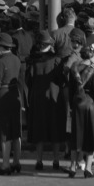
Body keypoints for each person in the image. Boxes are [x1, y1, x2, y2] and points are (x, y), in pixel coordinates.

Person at [26, 30, 65, 170]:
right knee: (55, 128)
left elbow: (28, 80)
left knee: (39, 129)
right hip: (53, 95)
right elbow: (62, 79)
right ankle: (55, 160)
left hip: (37, 97)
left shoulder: (33, 61)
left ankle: (39, 160)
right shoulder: (56, 60)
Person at [67, 43, 94, 178]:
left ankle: (72, 166)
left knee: (76, 137)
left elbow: (71, 89)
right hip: (90, 105)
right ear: (92, 55)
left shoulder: (74, 68)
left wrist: (72, 106)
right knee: (90, 137)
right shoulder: (93, 70)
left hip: (77, 103)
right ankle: (88, 168)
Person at [0, 32, 22, 174]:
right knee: (16, 132)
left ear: (1, 47)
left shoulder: (1, 62)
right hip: (15, 94)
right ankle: (17, 161)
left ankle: (5, 164)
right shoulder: (16, 59)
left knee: (5, 134)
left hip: (3, 95)